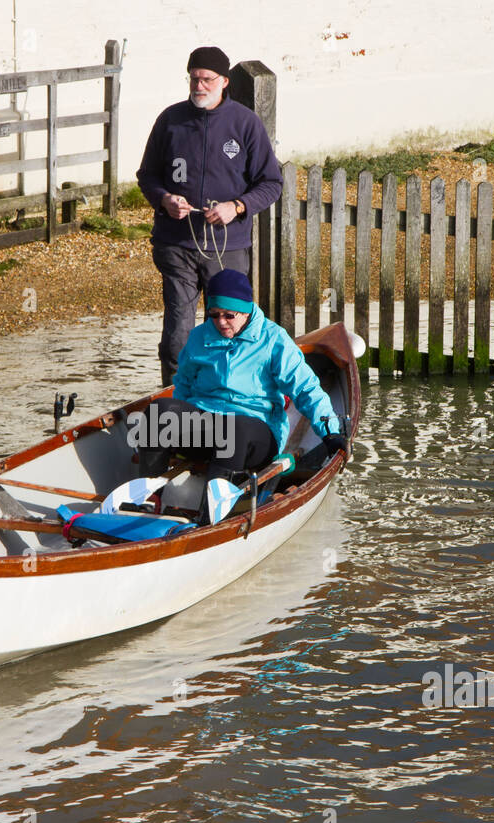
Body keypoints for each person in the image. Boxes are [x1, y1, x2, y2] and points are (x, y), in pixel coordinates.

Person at [135, 269, 348, 521]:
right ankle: (146, 498)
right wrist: (171, 433)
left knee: (232, 431)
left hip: (255, 432)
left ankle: (210, 518)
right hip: (207, 425)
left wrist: (331, 432)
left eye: (229, 315)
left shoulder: (274, 340)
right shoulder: (199, 337)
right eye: (214, 315)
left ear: (246, 311)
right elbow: (182, 386)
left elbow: (305, 389)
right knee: (159, 410)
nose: (221, 322)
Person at [136, 45, 282, 387]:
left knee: (228, 326)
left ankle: (230, 395)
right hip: (176, 243)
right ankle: (176, 398)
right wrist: (164, 199)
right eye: (193, 79)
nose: (198, 86)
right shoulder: (170, 120)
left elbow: (271, 183)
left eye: (206, 79)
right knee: (178, 333)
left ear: (224, 81)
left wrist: (237, 207)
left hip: (227, 247)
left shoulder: (245, 124)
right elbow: (147, 175)